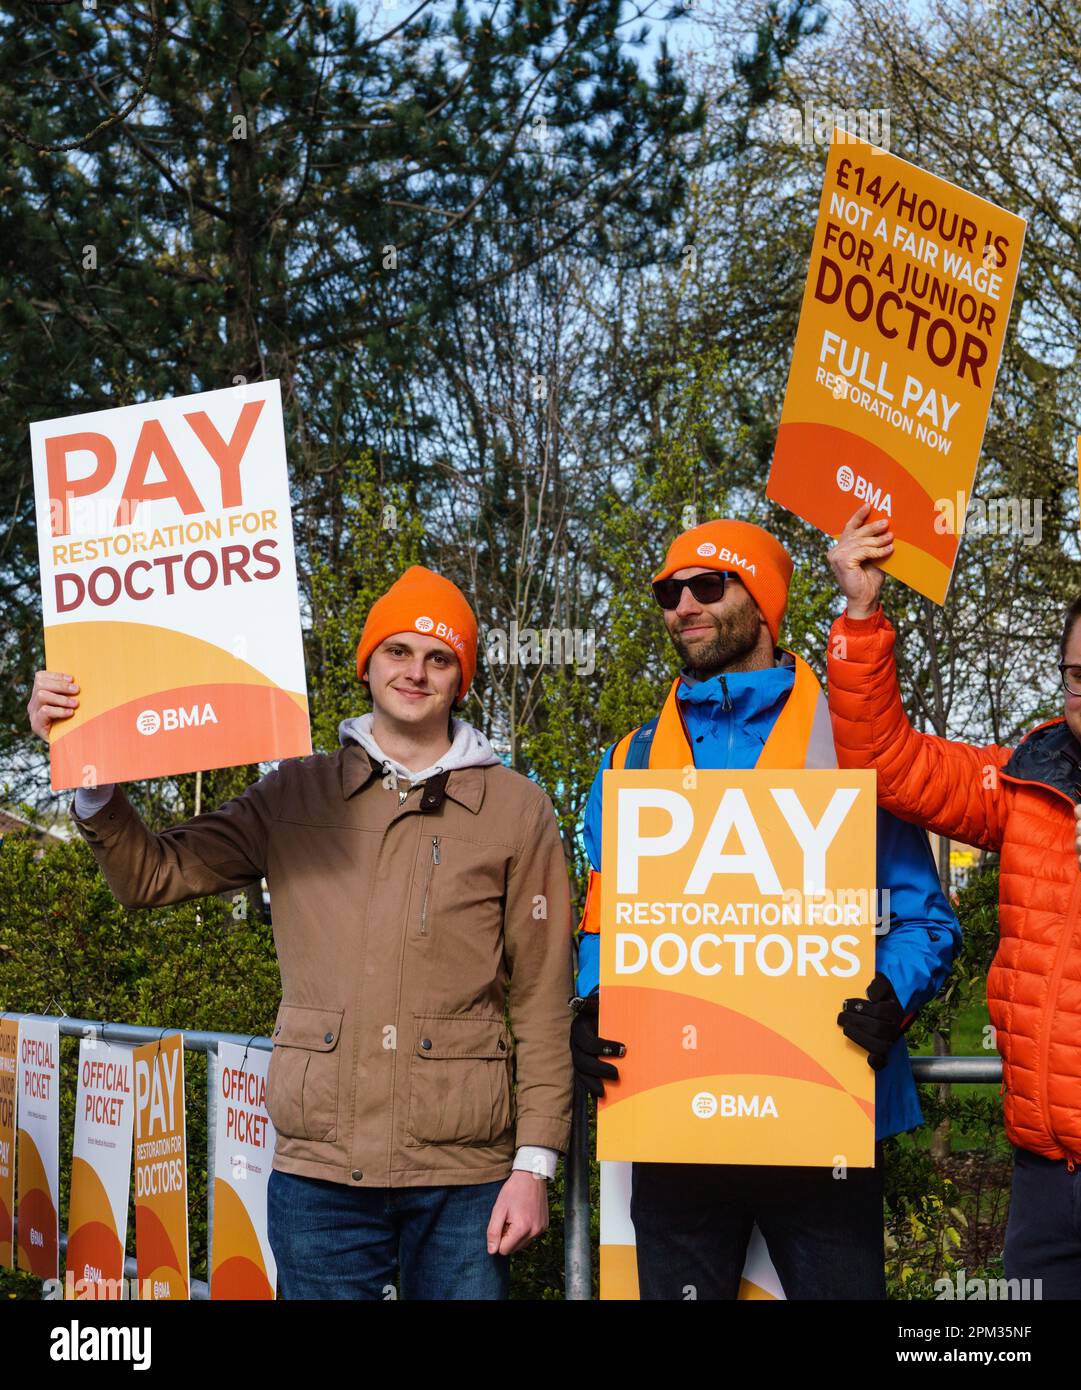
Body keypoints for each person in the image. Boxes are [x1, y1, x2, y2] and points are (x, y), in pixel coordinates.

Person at [28, 564, 574, 1300]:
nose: (415, 672)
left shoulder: (518, 809)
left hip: (467, 1177)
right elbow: (152, 875)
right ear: (367, 664)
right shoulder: (292, 792)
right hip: (320, 1174)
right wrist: (90, 770)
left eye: (439, 657)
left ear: (461, 678)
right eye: (397, 652)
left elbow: (542, 998)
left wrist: (534, 1166)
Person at [571, 518, 960, 1300]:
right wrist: (589, 1001)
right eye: (668, 592)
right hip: (673, 1118)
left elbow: (927, 923)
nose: (683, 604)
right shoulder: (629, 759)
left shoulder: (851, 747)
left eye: (708, 584)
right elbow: (604, 920)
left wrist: (890, 995)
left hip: (823, 1116)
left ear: (763, 602)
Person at [826, 502, 1081, 1299]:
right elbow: (885, 763)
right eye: (1077, 674)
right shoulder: (1023, 784)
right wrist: (862, 613)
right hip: (1046, 1175)